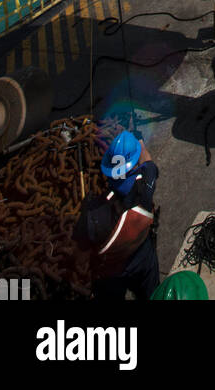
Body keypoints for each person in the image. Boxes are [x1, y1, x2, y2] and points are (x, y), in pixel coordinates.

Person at [74, 128, 160, 300]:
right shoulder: (145, 185)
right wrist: (139, 139)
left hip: (110, 274)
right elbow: (147, 161)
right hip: (144, 259)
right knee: (152, 295)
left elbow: (81, 249)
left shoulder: (93, 216)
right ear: (134, 166)